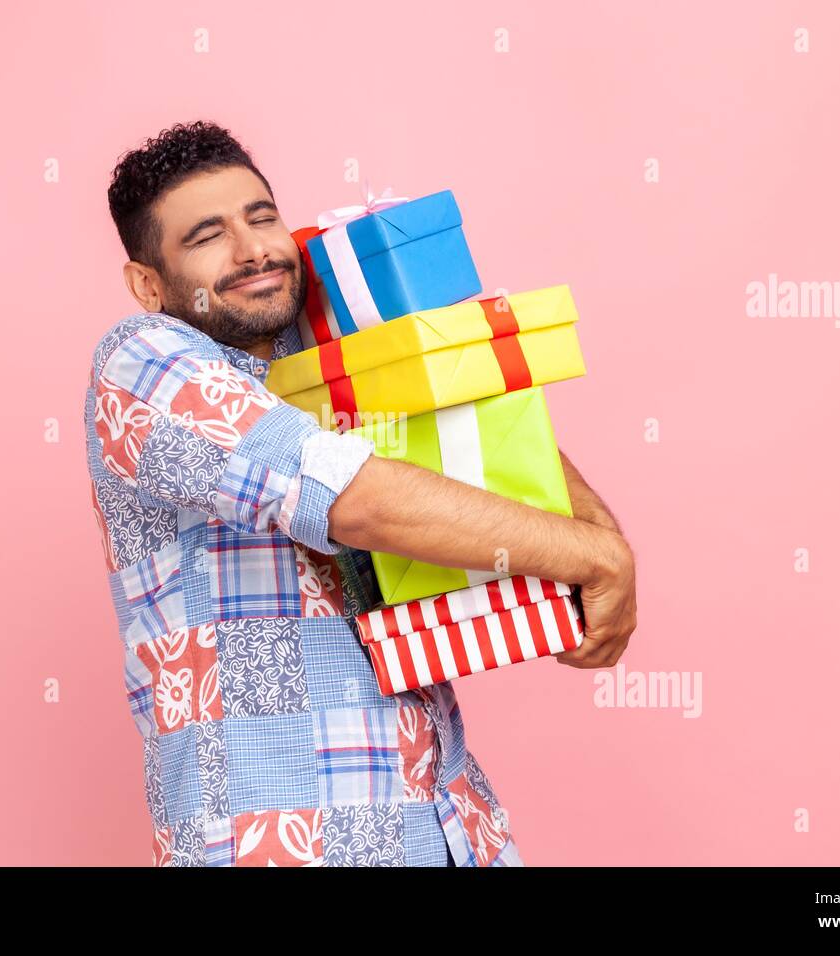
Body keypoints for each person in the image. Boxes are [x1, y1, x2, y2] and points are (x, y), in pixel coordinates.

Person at [85, 120, 637, 867]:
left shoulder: (325, 356)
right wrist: (599, 558)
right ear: (149, 283)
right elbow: (354, 499)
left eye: (262, 217)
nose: (253, 249)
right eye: (207, 236)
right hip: (282, 842)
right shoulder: (144, 364)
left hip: (442, 824)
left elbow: (495, 445)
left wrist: (440, 362)